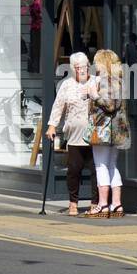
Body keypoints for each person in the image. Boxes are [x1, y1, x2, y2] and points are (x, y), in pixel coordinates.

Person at [45, 52, 93, 216]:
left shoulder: (95, 82)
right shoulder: (66, 85)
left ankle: (95, 203)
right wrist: (52, 126)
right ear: (73, 68)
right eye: (79, 67)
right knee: (74, 170)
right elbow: (58, 106)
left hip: (95, 137)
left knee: (95, 170)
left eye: (85, 66)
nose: (82, 70)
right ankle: (73, 203)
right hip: (74, 136)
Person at [87, 48, 132, 217]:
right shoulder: (120, 80)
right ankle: (117, 204)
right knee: (112, 165)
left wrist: (93, 95)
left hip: (103, 129)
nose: (94, 64)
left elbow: (109, 104)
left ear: (103, 62)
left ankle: (103, 204)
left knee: (101, 166)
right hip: (117, 131)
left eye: (96, 61)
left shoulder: (105, 80)